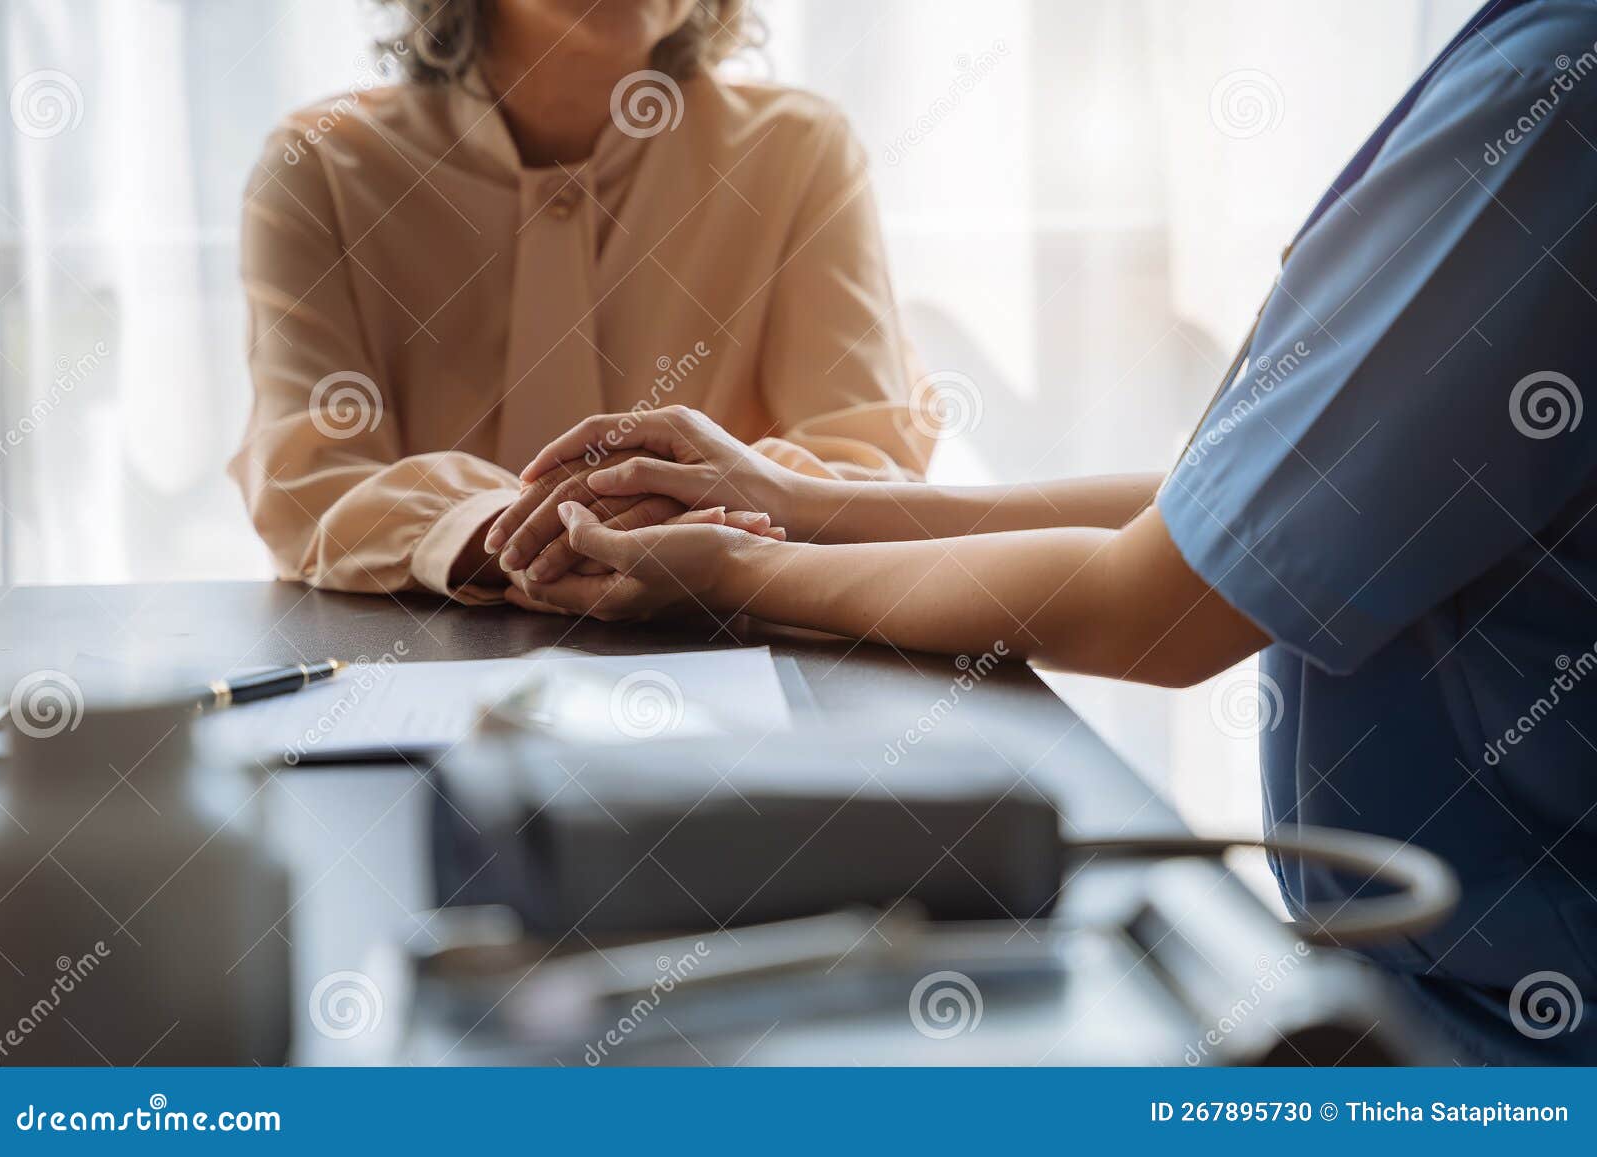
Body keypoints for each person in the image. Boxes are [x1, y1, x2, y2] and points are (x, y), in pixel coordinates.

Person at [495, 0, 1597, 1064]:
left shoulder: (1551, 88)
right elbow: (1235, 505)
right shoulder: (1531, 60)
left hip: (1510, 1038)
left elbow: (1158, 606)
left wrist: (741, 567)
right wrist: (797, 502)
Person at [229, 0, 931, 606]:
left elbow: (867, 465)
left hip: (735, 665)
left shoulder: (797, 150)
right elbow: (310, 481)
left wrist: (666, 536)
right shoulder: (319, 168)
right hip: (418, 676)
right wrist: (542, 536)